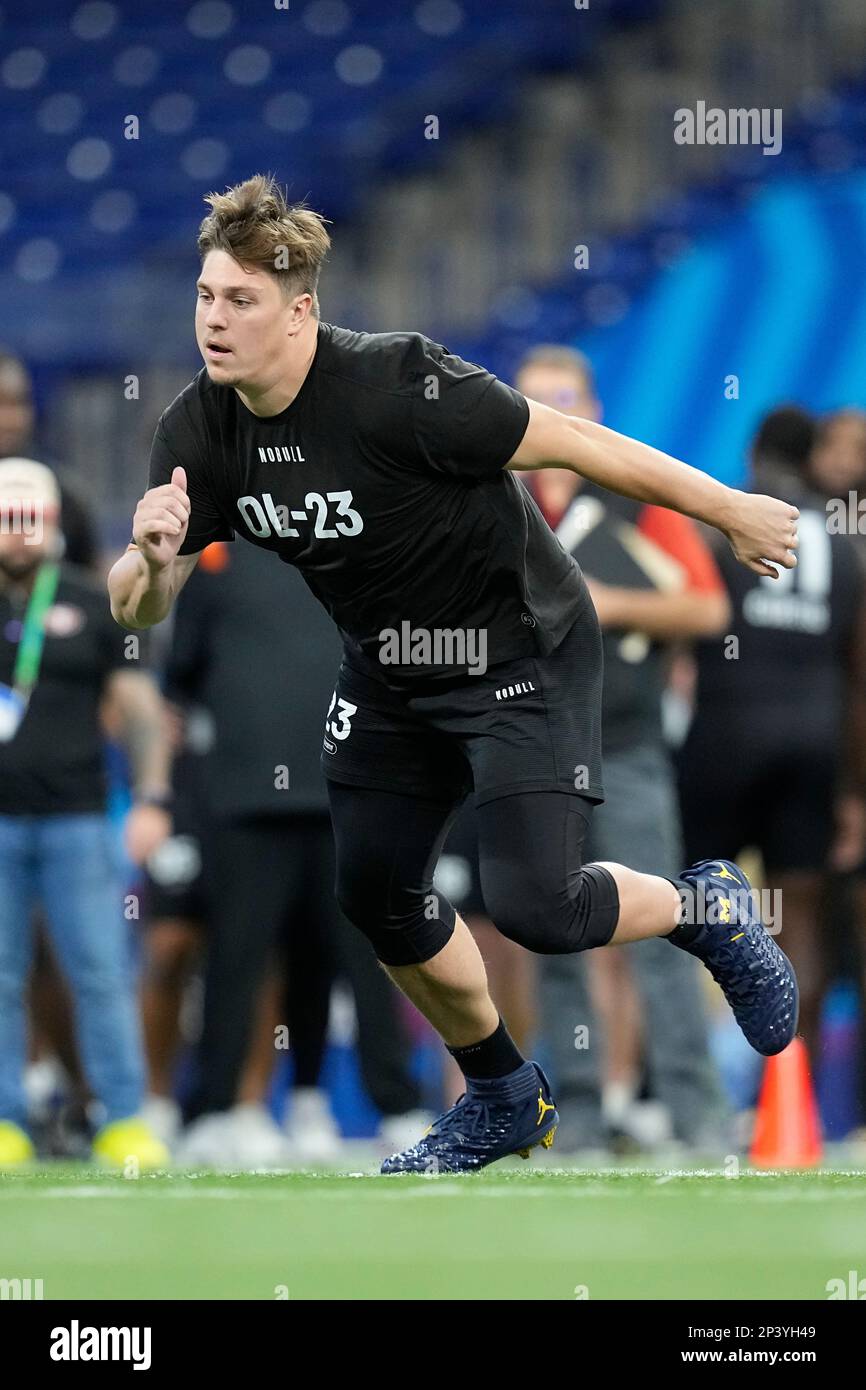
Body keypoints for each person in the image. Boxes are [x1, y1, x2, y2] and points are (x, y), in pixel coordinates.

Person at [108, 174, 800, 1176]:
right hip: (390, 674)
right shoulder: (199, 430)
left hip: (517, 652)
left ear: (299, 312)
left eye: (240, 302)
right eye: (207, 298)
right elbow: (142, 606)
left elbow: (579, 443)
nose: (215, 321)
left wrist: (727, 509)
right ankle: (502, 1095)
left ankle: (703, 907)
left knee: (539, 908)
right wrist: (150, 555)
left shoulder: (400, 385)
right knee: (377, 893)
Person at [514, 344, 733, 1153]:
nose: (551, 411)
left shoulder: (634, 500)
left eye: (564, 396)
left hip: (628, 745)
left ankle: (696, 1112)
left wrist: (613, 602)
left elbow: (707, 611)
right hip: (530, 750)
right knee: (551, 937)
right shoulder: (497, 500)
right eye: (534, 399)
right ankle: (571, 1118)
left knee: (667, 928)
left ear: (595, 410)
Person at [679, 408, 866, 1065]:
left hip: (724, 733)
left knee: (682, 903)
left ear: (754, 453)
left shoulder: (715, 524)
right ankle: (793, 1095)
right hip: (815, 741)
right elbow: (857, 678)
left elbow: (684, 638)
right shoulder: (847, 546)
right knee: (802, 917)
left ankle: (672, 1090)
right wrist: (851, 793)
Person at [0, 458, 171, 1168]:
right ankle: (6, 1122)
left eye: (29, 513)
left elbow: (140, 710)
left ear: (53, 521)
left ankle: (124, 1118)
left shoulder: (92, 599)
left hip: (78, 818)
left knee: (100, 969)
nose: (19, 529)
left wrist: (155, 797)